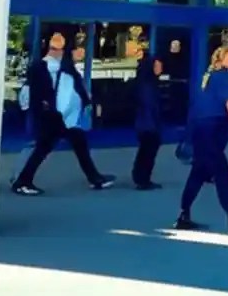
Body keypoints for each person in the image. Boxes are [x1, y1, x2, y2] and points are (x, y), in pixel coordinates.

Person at [11, 32, 115, 196]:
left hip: (61, 117)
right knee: (45, 148)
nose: (80, 53)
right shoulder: (51, 68)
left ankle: (94, 178)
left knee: (74, 145)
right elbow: (55, 95)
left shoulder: (58, 67)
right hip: (57, 117)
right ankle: (22, 181)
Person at [176, 44, 228, 234]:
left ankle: (184, 215)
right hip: (212, 129)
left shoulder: (208, 76)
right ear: (225, 57)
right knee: (221, 172)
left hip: (202, 129)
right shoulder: (224, 77)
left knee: (199, 173)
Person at [131, 48, 164, 190]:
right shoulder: (148, 85)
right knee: (148, 150)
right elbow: (149, 106)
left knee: (146, 150)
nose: (160, 68)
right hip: (148, 124)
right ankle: (142, 178)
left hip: (146, 123)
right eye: (157, 65)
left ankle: (141, 177)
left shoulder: (147, 82)